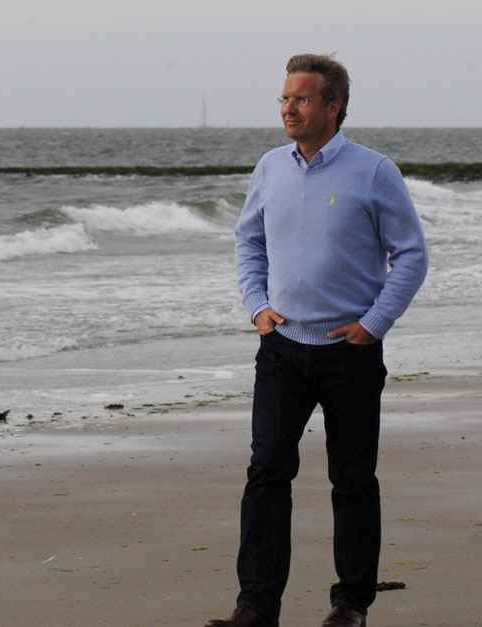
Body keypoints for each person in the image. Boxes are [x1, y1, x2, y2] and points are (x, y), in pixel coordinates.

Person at [208, 54, 429, 627]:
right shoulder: (269, 168)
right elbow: (248, 242)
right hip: (282, 347)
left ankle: (351, 605)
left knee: (352, 479)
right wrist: (257, 306)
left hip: (349, 352)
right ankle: (256, 606)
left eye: (301, 99)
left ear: (333, 107)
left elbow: (411, 254)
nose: (288, 107)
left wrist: (374, 323)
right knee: (267, 473)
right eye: (284, 97)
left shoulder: (374, 171)